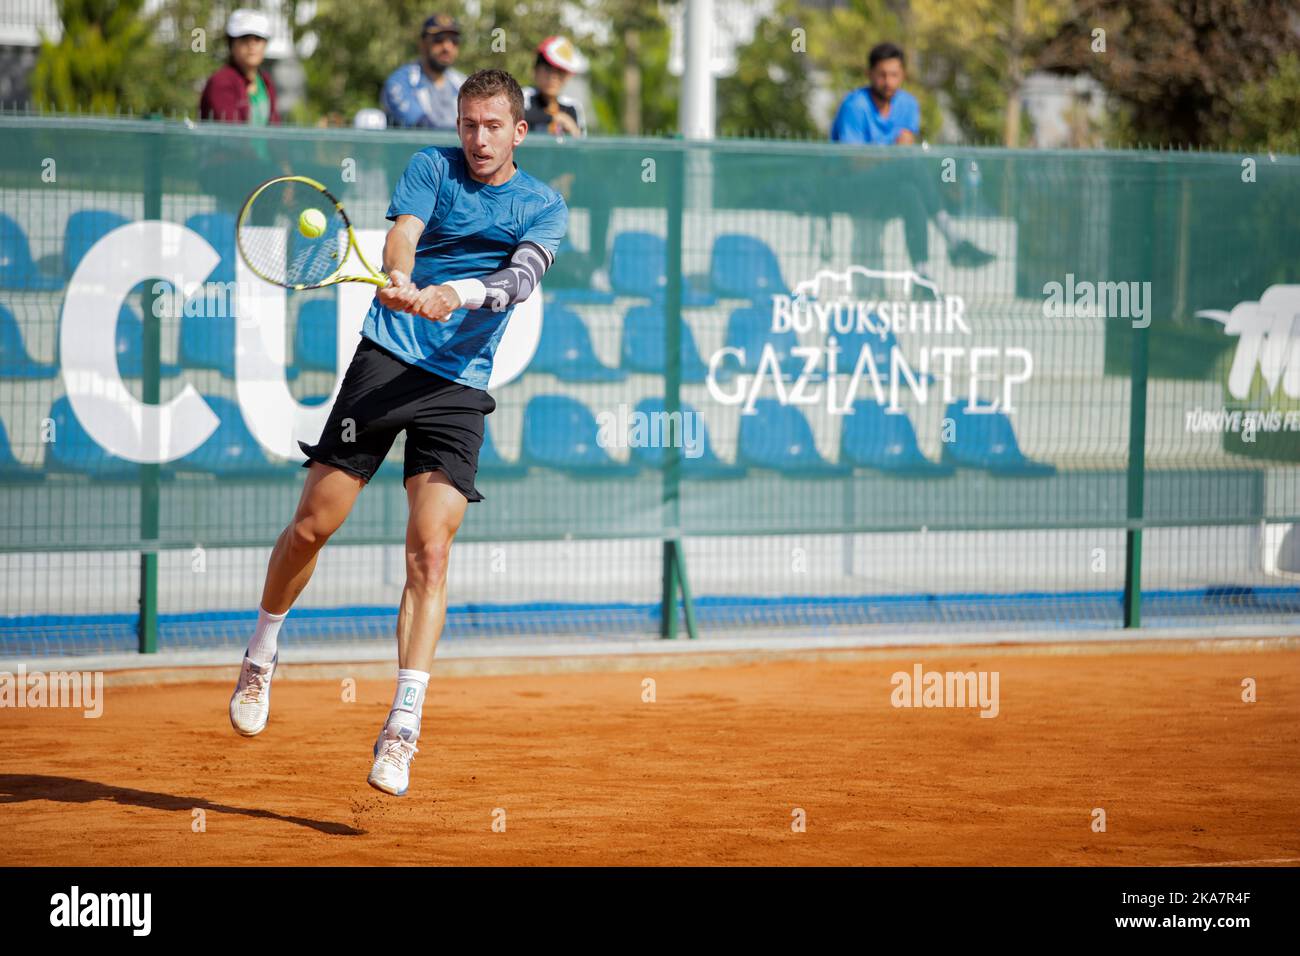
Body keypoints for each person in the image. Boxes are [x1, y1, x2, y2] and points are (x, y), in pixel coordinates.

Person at [228, 69, 569, 798]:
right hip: (385, 362)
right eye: (468, 124)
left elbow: (520, 280)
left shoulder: (543, 205)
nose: (477, 139)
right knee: (313, 526)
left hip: (459, 385)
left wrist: (454, 295)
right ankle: (262, 653)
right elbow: (402, 237)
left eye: (492, 127)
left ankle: (402, 725)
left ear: (519, 131)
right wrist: (401, 274)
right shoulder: (429, 168)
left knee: (431, 551)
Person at [831, 42, 993, 275]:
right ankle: (955, 240)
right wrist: (893, 156)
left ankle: (922, 276)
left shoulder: (907, 104)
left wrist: (892, 157)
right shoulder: (855, 106)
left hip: (886, 191)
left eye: (894, 75)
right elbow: (855, 162)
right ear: (869, 74)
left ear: (903, 75)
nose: (888, 82)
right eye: (882, 75)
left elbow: (902, 152)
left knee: (910, 193)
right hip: (852, 190)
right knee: (912, 167)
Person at [381, 14, 467, 130]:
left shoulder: (463, 82)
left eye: (454, 40)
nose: (447, 47)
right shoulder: (401, 81)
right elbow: (421, 126)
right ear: (422, 43)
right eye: (439, 39)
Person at [199, 8, 280, 125]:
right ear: (231, 44)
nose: (251, 44)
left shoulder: (266, 82)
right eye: (244, 38)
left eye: (257, 39)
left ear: (265, 44)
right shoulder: (220, 82)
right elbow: (232, 136)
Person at [521, 35, 588, 137]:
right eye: (548, 70)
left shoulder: (572, 107)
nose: (553, 77)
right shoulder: (523, 97)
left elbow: (580, 144)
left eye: (560, 72)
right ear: (535, 71)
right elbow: (514, 117)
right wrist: (555, 117)